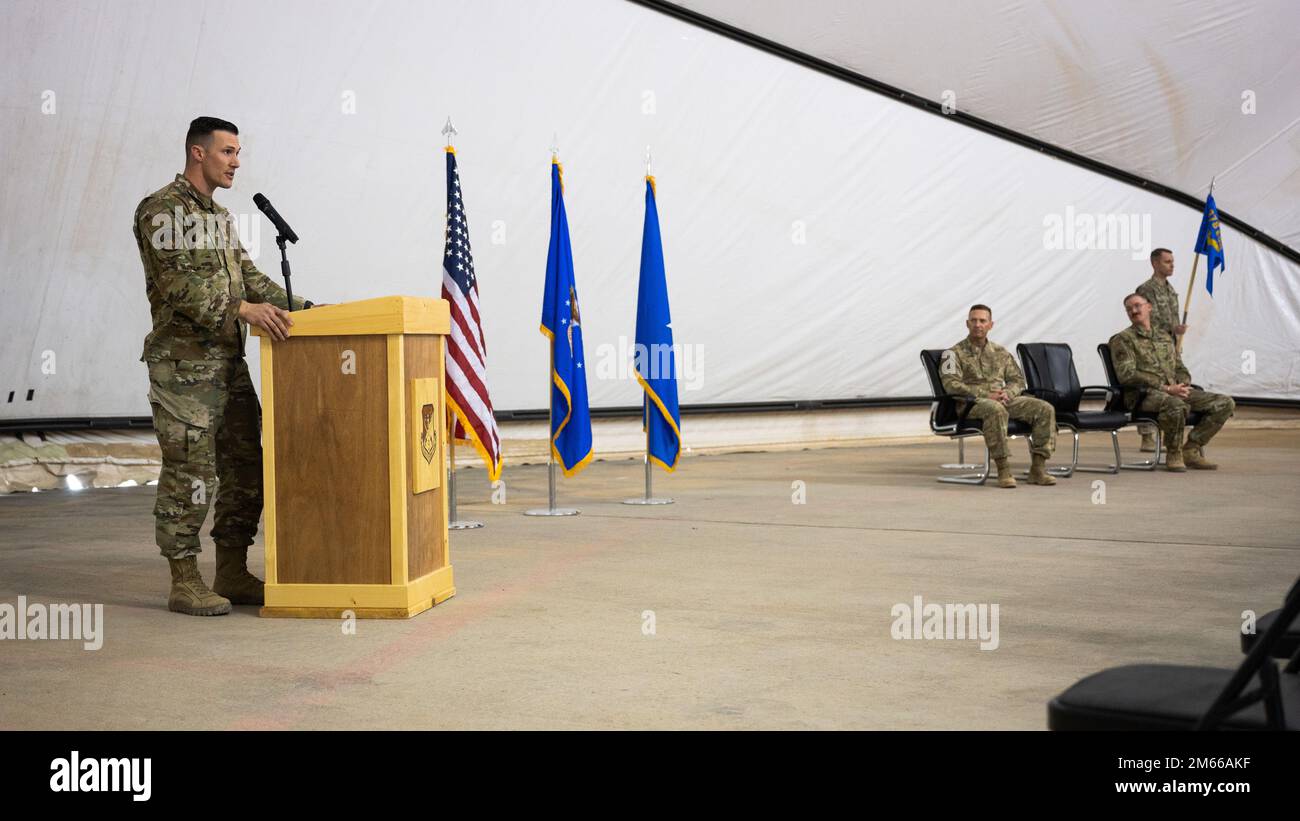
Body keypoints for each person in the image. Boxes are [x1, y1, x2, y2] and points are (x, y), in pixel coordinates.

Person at [133, 116, 315, 615]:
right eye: (228, 152)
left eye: (238, 153)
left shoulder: (219, 218)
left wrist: (311, 310)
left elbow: (250, 279)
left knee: (245, 468)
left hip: (228, 367)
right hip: (183, 373)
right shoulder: (161, 210)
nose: (236, 162)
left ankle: (231, 570)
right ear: (198, 153)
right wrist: (242, 310)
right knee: (191, 474)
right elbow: (182, 286)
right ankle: (184, 579)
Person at [1109, 294, 1233, 472]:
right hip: (1142, 396)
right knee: (1175, 404)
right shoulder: (1123, 339)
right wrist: (1166, 388)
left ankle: (1191, 448)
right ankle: (1174, 453)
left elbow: (1179, 366)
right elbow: (1127, 375)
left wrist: (1183, 383)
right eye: (1129, 309)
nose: (1134, 311)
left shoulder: (1164, 337)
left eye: (1137, 306)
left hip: (1174, 390)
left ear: (1149, 307)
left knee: (1224, 403)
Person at [940, 304, 1058, 488]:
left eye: (982, 321)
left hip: (1002, 400)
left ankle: (1038, 469)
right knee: (994, 409)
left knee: (1044, 408)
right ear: (967, 323)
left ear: (990, 325)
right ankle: (1003, 470)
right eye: (974, 320)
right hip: (971, 403)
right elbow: (951, 385)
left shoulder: (1001, 352)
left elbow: (1017, 380)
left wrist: (1007, 393)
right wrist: (988, 395)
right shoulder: (951, 354)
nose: (978, 324)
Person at [1134, 248, 1186, 451]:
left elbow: (1171, 317)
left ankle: (1167, 433)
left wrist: (1177, 330)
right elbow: (1143, 319)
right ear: (1155, 264)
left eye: (1172, 261)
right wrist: (1169, 329)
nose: (1172, 265)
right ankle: (1147, 436)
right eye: (1167, 262)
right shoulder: (1146, 290)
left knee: (1172, 387)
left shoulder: (1171, 290)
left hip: (1170, 347)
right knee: (1150, 389)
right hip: (1151, 346)